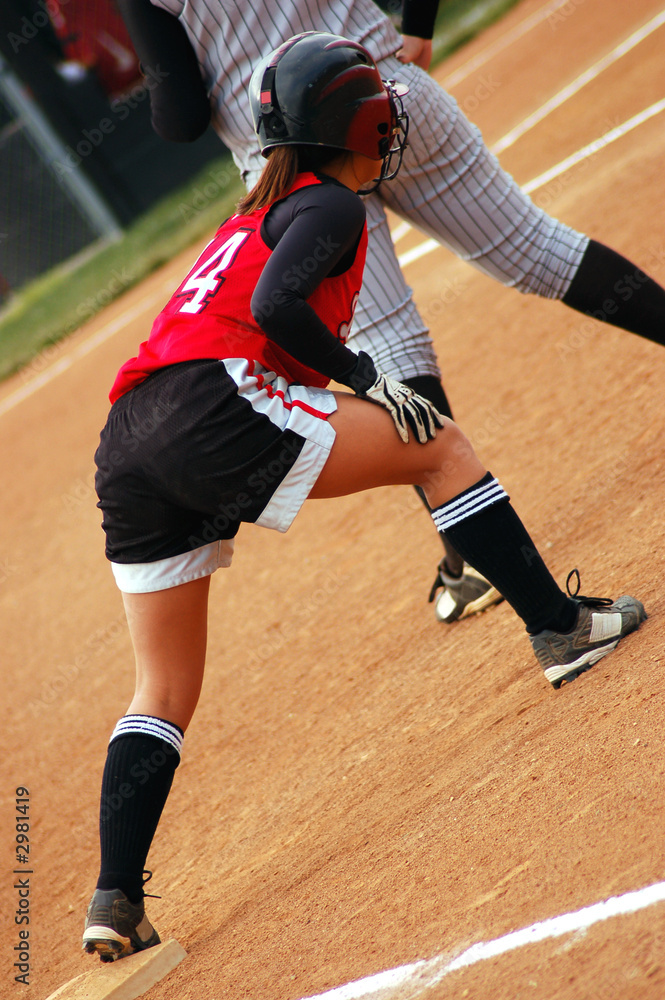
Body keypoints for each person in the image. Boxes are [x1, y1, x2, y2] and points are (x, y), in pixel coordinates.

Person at [82, 33, 645, 962]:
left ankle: (113, 898)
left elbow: (249, 310)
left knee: (164, 685)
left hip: (130, 437)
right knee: (441, 444)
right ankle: (559, 629)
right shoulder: (331, 206)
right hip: (214, 406)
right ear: (360, 123)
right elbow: (273, 313)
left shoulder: (255, 211)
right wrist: (360, 374)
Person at [115, 0, 665, 626]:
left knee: (390, 346)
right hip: (382, 84)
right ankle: (480, 555)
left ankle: (470, 557)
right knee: (538, 248)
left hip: (288, 155)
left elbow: (181, 115)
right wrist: (419, 27)